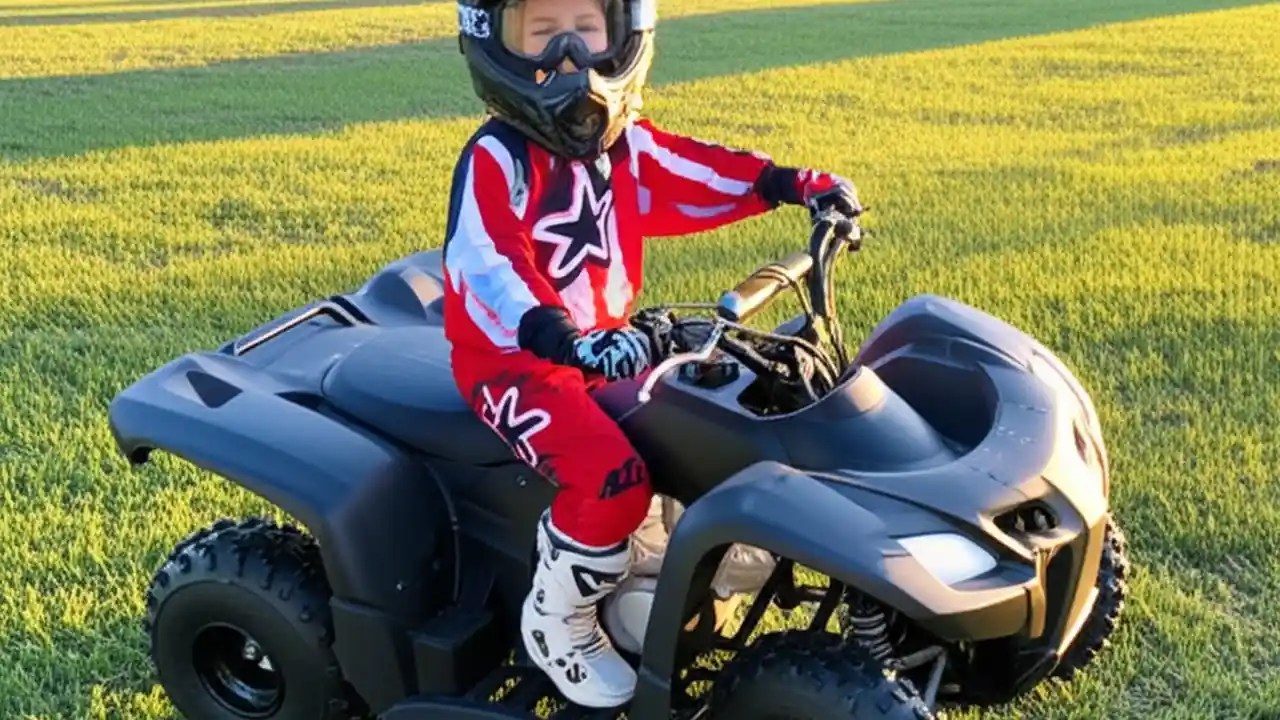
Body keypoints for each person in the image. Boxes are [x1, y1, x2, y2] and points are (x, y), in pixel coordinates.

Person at [442, 0, 862, 708]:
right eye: (542, 33)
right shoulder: (497, 158)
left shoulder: (621, 146)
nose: (569, 55)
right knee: (613, 477)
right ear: (497, 45)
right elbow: (488, 266)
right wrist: (562, 338)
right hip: (514, 364)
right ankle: (558, 621)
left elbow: (692, 171)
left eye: (587, 28)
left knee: (711, 404)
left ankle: (668, 556)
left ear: (625, 30)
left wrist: (789, 184)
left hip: (604, 344)